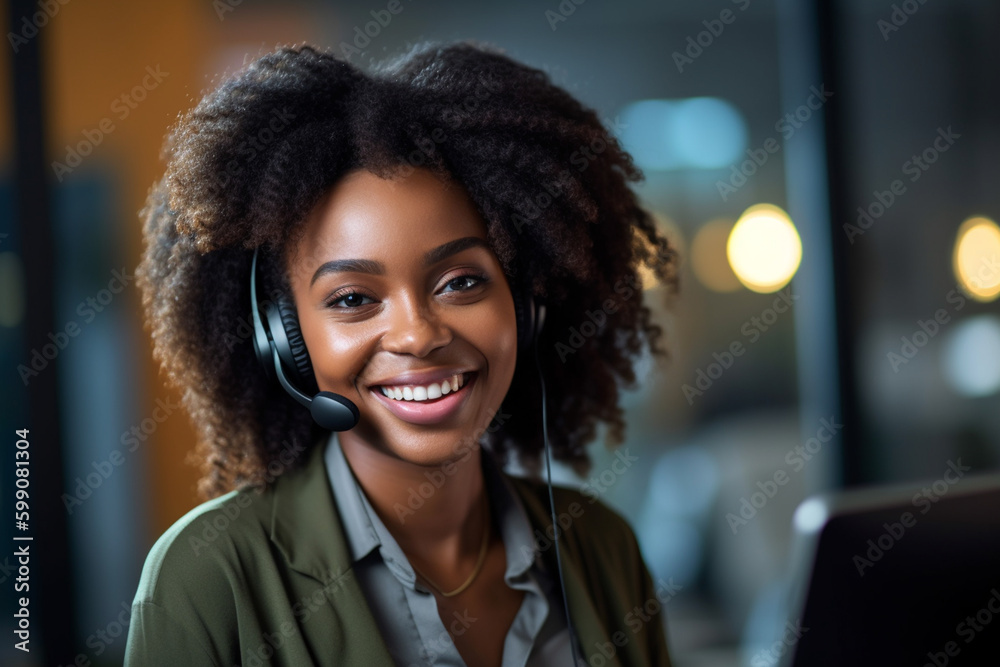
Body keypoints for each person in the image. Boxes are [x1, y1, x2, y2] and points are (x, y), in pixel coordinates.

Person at [125, 40, 678, 667]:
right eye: (354, 297)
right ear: (283, 335)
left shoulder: (600, 546)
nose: (417, 335)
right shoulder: (207, 577)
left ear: (526, 306)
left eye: (461, 282)